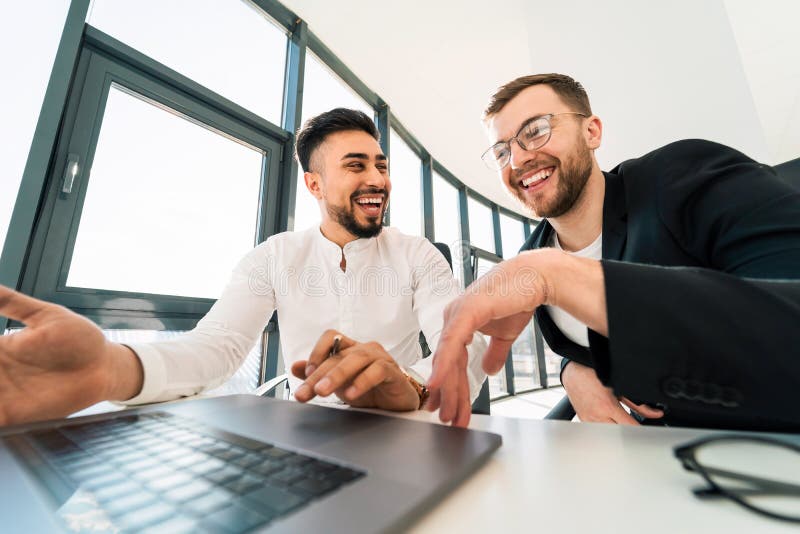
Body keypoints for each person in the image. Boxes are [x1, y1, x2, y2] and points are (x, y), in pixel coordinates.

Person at [0, 108, 487, 427]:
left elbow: (462, 340)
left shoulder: (417, 253)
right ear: (314, 186)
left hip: (405, 427)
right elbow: (217, 347)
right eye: (356, 166)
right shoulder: (275, 256)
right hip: (308, 436)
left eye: (381, 166)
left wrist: (414, 388)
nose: (378, 179)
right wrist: (111, 368)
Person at [427, 73, 800, 430]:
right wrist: (574, 370)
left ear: (592, 132)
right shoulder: (533, 252)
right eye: (501, 152)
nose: (518, 160)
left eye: (536, 131)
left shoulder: (681, 175)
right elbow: (590, 343)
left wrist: (558, 276)